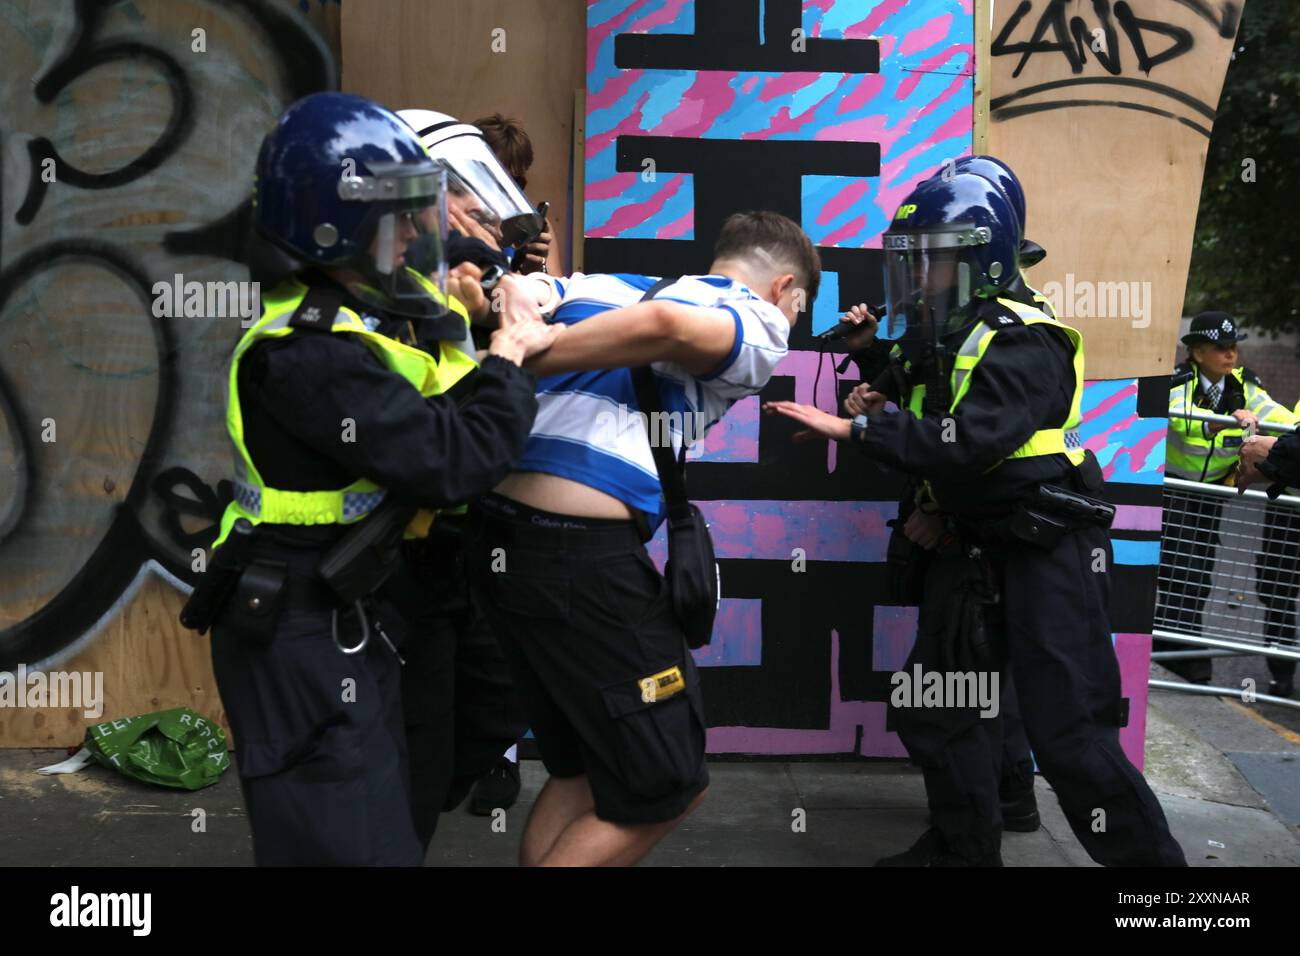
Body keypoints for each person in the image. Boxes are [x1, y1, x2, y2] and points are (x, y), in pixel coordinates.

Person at [765, 168, 1186, 866]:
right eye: (914, 254)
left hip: (1044, 549)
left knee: (1071, 738)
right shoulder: (944, 331)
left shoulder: (1025, 339)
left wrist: (856, 434)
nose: (920, 269)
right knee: (941, 707)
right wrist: (872, 365)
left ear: (980, 258)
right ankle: (961, 854)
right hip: (971, 548)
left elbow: (973, 441)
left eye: (934, 253)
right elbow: (918, 396)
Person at [198, 92, 559, 865]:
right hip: (297, 619)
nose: (418, 238)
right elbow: (453, 460)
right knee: (342, 841)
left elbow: (440, 410)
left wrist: (462, 325)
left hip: (341, 604)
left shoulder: (358, 326)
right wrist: (511, 357)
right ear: (337, 232)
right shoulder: (310, 351)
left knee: (380, 823)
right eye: (403, 221)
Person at [463, 211, 820, 866]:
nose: (789, 330)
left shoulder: (611, 284)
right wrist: (515, 360)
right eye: (799, 311)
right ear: (784, 288)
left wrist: (516, 316)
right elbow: (667, 328)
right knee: (670, 783)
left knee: (580, 770)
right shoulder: (754, 316)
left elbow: (529, 293)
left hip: (500, 546)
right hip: (579, 561)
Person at [1159, 312, 1296, 686]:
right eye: (1220, 348)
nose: (1230, 354)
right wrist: (1218, 421)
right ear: (1198, 352)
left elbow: (1270, 410)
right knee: (1181, 569)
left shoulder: (1243, 385)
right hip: (1175, 489)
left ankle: (1178, 648)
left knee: (1201, 573)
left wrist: (1295, 431)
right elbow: (1180, 417)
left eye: (1233, 346)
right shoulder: (1181, 381)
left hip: (1212, 493)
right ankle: (1180, 654)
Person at [473, 112, 558, 275]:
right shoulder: (453, 220)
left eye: (515, 182)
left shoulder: (533, 226)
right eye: (497, 181)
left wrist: (537, 271)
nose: (506, 192)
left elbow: (558, 292)